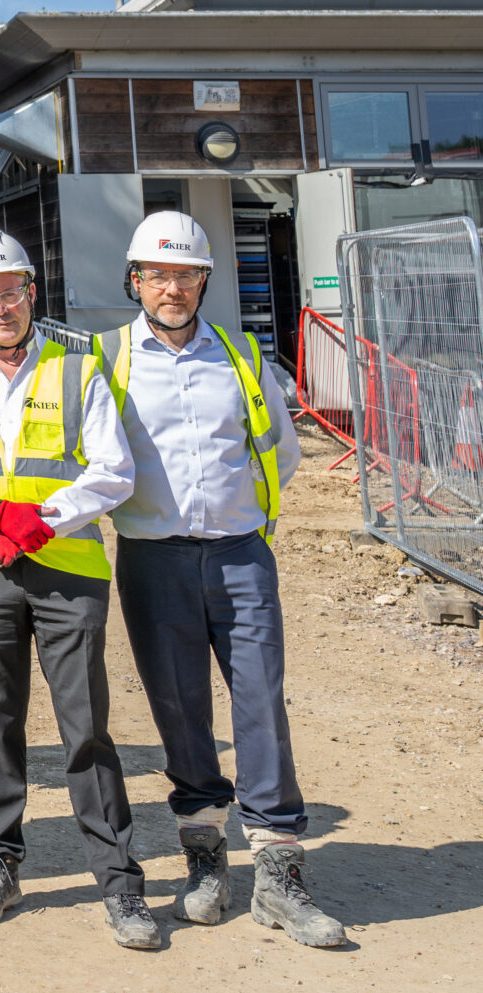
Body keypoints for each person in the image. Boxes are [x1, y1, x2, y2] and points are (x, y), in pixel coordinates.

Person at [0, 230, 152, 948]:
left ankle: (119, 881)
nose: (0, 307)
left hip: (67, 571)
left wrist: (41, 520)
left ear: (32, 293)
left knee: (86, 726)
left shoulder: (78, 372)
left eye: (11, 292)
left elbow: (113, 469)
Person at [104, 211, 340, 948]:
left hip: (241, 555)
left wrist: (243, 517)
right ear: (135, 280)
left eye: (186, 275)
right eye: (158, 275)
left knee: (261, 701)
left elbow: (280, 450)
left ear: (204, 280)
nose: (172, 289)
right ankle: (205, 859)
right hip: (153, 559)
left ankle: (278, 872)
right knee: (179, 708)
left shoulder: (240, 356)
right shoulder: (107, 360)